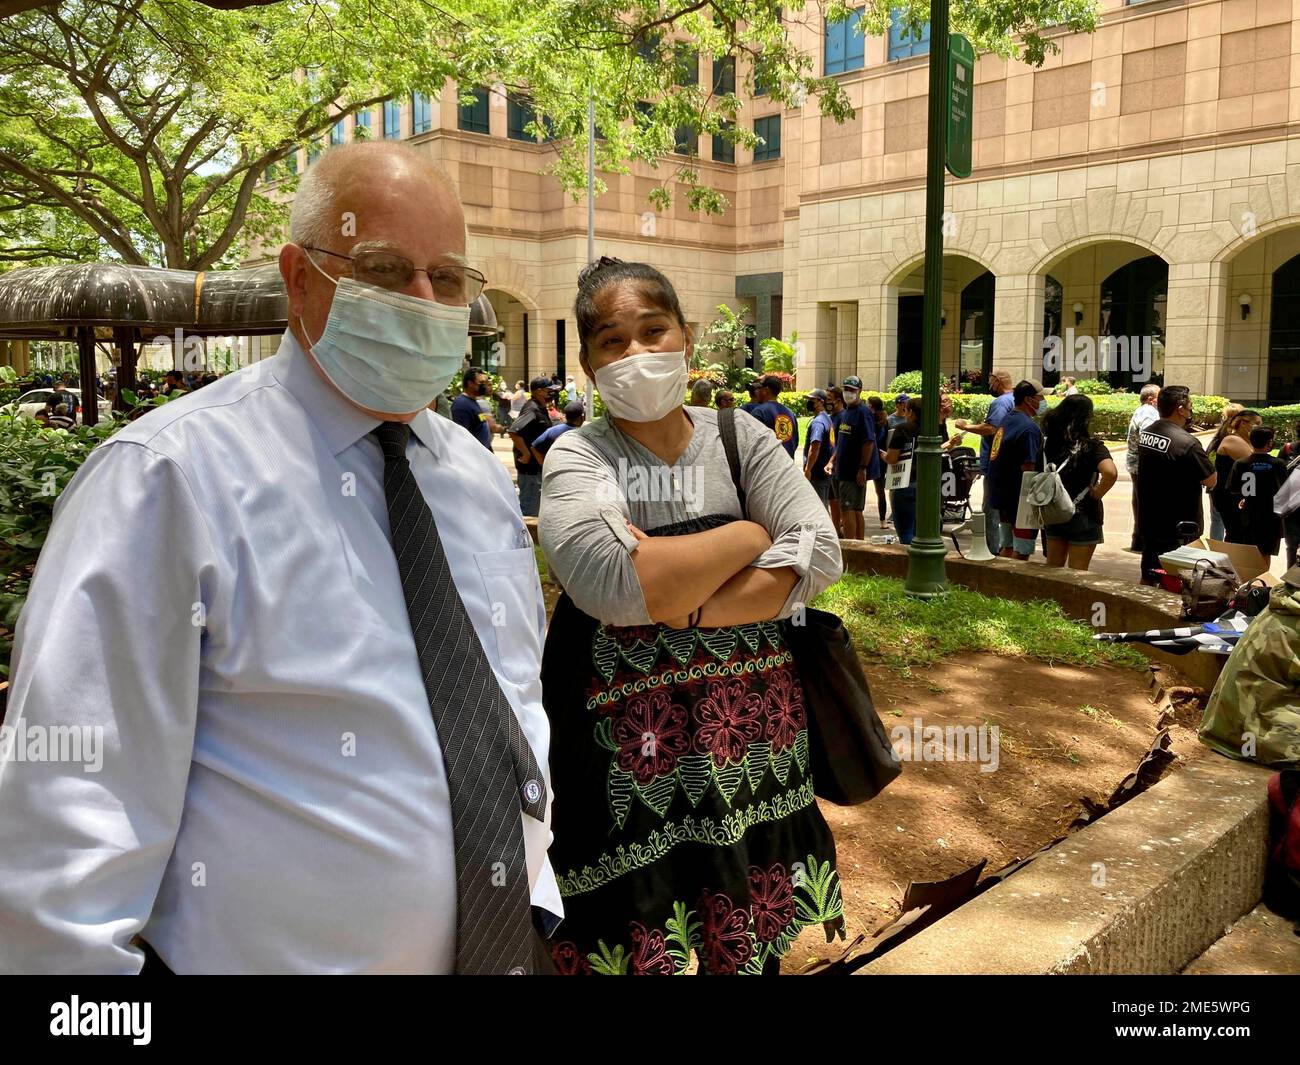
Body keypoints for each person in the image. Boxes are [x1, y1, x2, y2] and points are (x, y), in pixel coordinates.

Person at [0, 140, 560, 974]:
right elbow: (67, 824)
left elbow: (510, 699)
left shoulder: (476, 478)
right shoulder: (168, 481)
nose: (420, 298)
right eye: (381, 267)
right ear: (299, 279)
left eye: (445, 278)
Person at [537, 256, 845, 976]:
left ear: (685, 336)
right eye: (613, 341)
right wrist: (749, 538)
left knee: (746, 937)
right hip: (623, 758)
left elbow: (821, 552)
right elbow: (610, 582)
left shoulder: (740, 439)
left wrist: (678, 597)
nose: (638, 353)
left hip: (750, 745)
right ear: (586, 362)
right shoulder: (578, 457)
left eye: (654, 329)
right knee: (639, 937)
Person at [1136, 385, 1217, 584]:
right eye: (1189, 407)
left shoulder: (1147, 433)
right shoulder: (1186, 442)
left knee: (1149, 572)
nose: (1191, 411)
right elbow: (1210, 480)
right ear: (1180, 409)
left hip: (1149, 517)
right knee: (1175, 581)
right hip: (1179, 526)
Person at [1039, 395, 1117, 571]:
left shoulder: (1049, 443)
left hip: (1054, 510)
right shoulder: (1092, 447)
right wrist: (1098, 492)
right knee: (1078, 573)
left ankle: (1050, 598)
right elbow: (1110, 472)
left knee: (1053, 568)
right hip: (1083, 512)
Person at [955, 368, 1014, 558]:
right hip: (1010, 465)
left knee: (991, 510)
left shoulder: (1000, 402)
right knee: (1008, 511)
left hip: (996, 465)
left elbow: (990, 428)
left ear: (997, 381)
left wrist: (966, 427)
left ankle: (992, 550)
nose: (989, 386)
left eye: (990, 382)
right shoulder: (1015, 400)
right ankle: (1009, 547)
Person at [988, 380, 1047, 560]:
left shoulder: (1007, 419)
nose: (1044, 401)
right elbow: (1028, 468)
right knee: (1021, 550)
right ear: (1029, 400)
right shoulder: (1029, 429)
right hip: (1020, 500)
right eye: (1041, 397)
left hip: (1002, 496)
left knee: (1007, 545)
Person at [1226, 425, 1287, 563]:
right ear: (1269, 443)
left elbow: (1233, 488)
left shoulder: (1240, 463)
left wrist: (1245, 497)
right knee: (1266, 553)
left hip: (1248, 514)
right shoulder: (1278, 464)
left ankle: (1250, 581)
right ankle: (1263, 582)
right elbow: (1285, 489)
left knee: (1249, 552)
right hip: (1271, 516)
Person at [833, 375, 877, 540]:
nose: (848, 393)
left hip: (853, 472)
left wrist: (862, 468)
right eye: (846, 389)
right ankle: (859, 546)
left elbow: (868, 442)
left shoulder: (862, 412)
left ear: (859, 391)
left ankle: (851, 548)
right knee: (855, 510)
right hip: (844, 470)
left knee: (848, 510)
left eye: (852, 390)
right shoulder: (847, 411)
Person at [1207, 406, 1259, 543]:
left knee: (1239, 533)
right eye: (1257, 424)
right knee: (1236, 534)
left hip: (1237, 495)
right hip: (1228, 495)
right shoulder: (1233, 440)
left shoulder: (1244, 441)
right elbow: (1255, 463)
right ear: (1243, 423)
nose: (1259, 427)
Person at [507, 376, 554, 517]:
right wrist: (526, 453)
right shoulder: (532, 409)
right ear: (539, 391)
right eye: (549, 390)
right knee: (530, 512)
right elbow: (514, 431)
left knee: (536, 508)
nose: (552, 393)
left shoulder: (540, 407)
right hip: (530, 471)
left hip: (537, 469)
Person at [1124, 383, 1161, 552]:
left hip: (1137, 464)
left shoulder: (1144, 411)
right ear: (1151, 399)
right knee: (1146, 502)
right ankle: (1143, 540)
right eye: (1159, 396)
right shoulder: (1149, 413)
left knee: (1140, 500)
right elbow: (1148, 438)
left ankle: (1138, 539)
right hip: (1143, 465)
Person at [883, 397, 922, 544]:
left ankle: (909, 564)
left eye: (906, 410)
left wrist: (884, 456)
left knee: (905, 532)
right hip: (926, 485)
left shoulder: (903, 429)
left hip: (904, 482)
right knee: (921, 529)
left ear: (911, 412)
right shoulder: (932, 429)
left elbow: (892, 458)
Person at [744, 374, 799, 458]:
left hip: (768, 467)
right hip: (788, 465)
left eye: (759, 389)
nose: (757, 392)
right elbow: (794, 442)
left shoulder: (759, 412)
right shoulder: (790, 413)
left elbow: (752, 443)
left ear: (766, 390)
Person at [450, 367, 497, 449]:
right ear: (470, 383)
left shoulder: (472, 401)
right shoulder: (462, 405)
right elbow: (459, 438)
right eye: (481, 382)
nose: (484, 386)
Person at [802, 388, 834, 508]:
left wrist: (808, 469)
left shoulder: (818, 423)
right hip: (824, 473)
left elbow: (815, 446)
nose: (809, 403)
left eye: (812, 400)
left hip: (817, 474)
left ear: (820, 402)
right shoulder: (827, 418)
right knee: (823, 506)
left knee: (819, 508)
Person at [530, 400, 586, 465]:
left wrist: (543, 465)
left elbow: (533, 447)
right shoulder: (584, 434)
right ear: (581, 417)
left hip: (555, 470)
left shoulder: (552, 431)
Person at [865, 395, 889, 527]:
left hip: (871, 456)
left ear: (871, 407)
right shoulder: (885, 421)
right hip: (881, 458)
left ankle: (856, 515)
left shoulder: (870, 420)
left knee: (861, 486)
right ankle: (882, 521)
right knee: (880, 491)